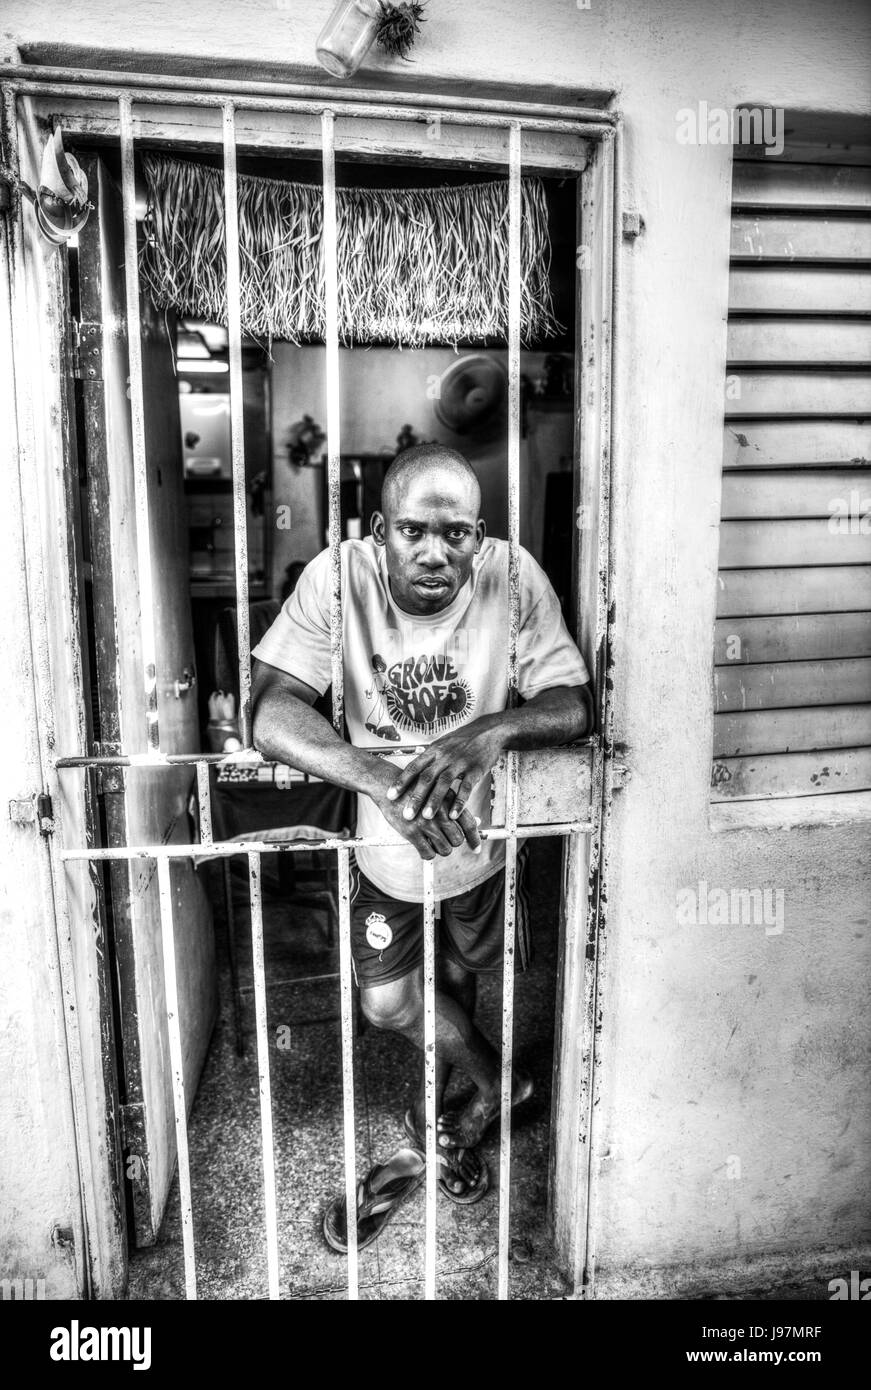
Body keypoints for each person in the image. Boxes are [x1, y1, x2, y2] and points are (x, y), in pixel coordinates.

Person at [251, 443, 593, 1201]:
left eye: (458, 533)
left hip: (484, 849)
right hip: (384, 855)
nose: (436, 552)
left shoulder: (513, 575)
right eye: (413, 531)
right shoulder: (339, 580)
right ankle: (501, 1082)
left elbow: (573, 702)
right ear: (380, 530)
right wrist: (379, 780)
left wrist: (488, 733)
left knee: (464, 979)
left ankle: (440, 1104)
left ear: (479, 533)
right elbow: (269, 712)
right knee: (386, 1002)